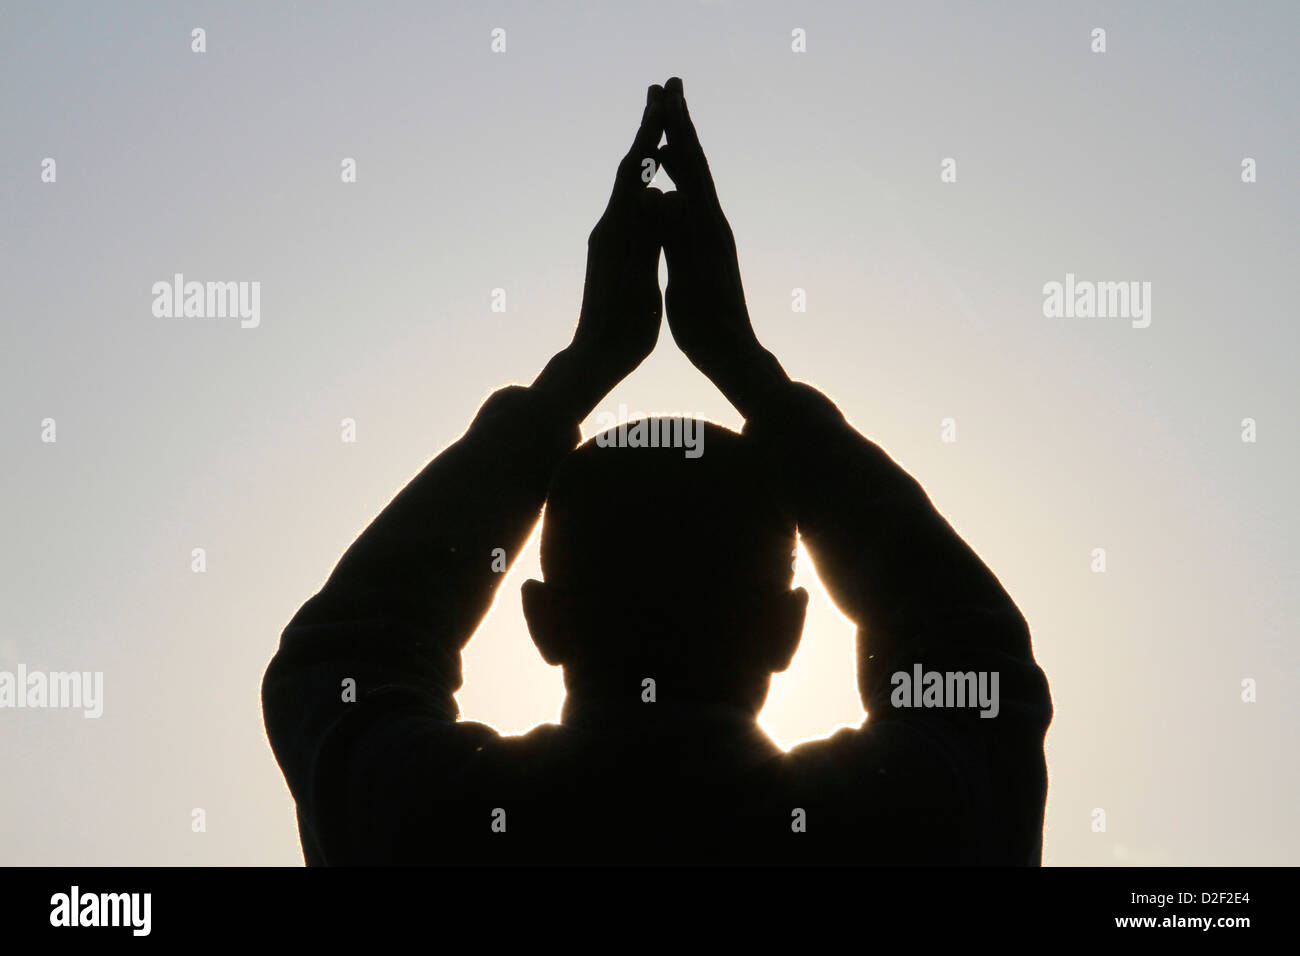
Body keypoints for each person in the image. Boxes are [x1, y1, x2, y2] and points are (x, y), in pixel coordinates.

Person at [261, 78, 1052, 865]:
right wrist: (752, 374)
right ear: (788, 630)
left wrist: (575, 376)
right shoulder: (897, 825)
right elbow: (972, 663)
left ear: (543, 621)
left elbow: (343, 662)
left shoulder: (434, 822)